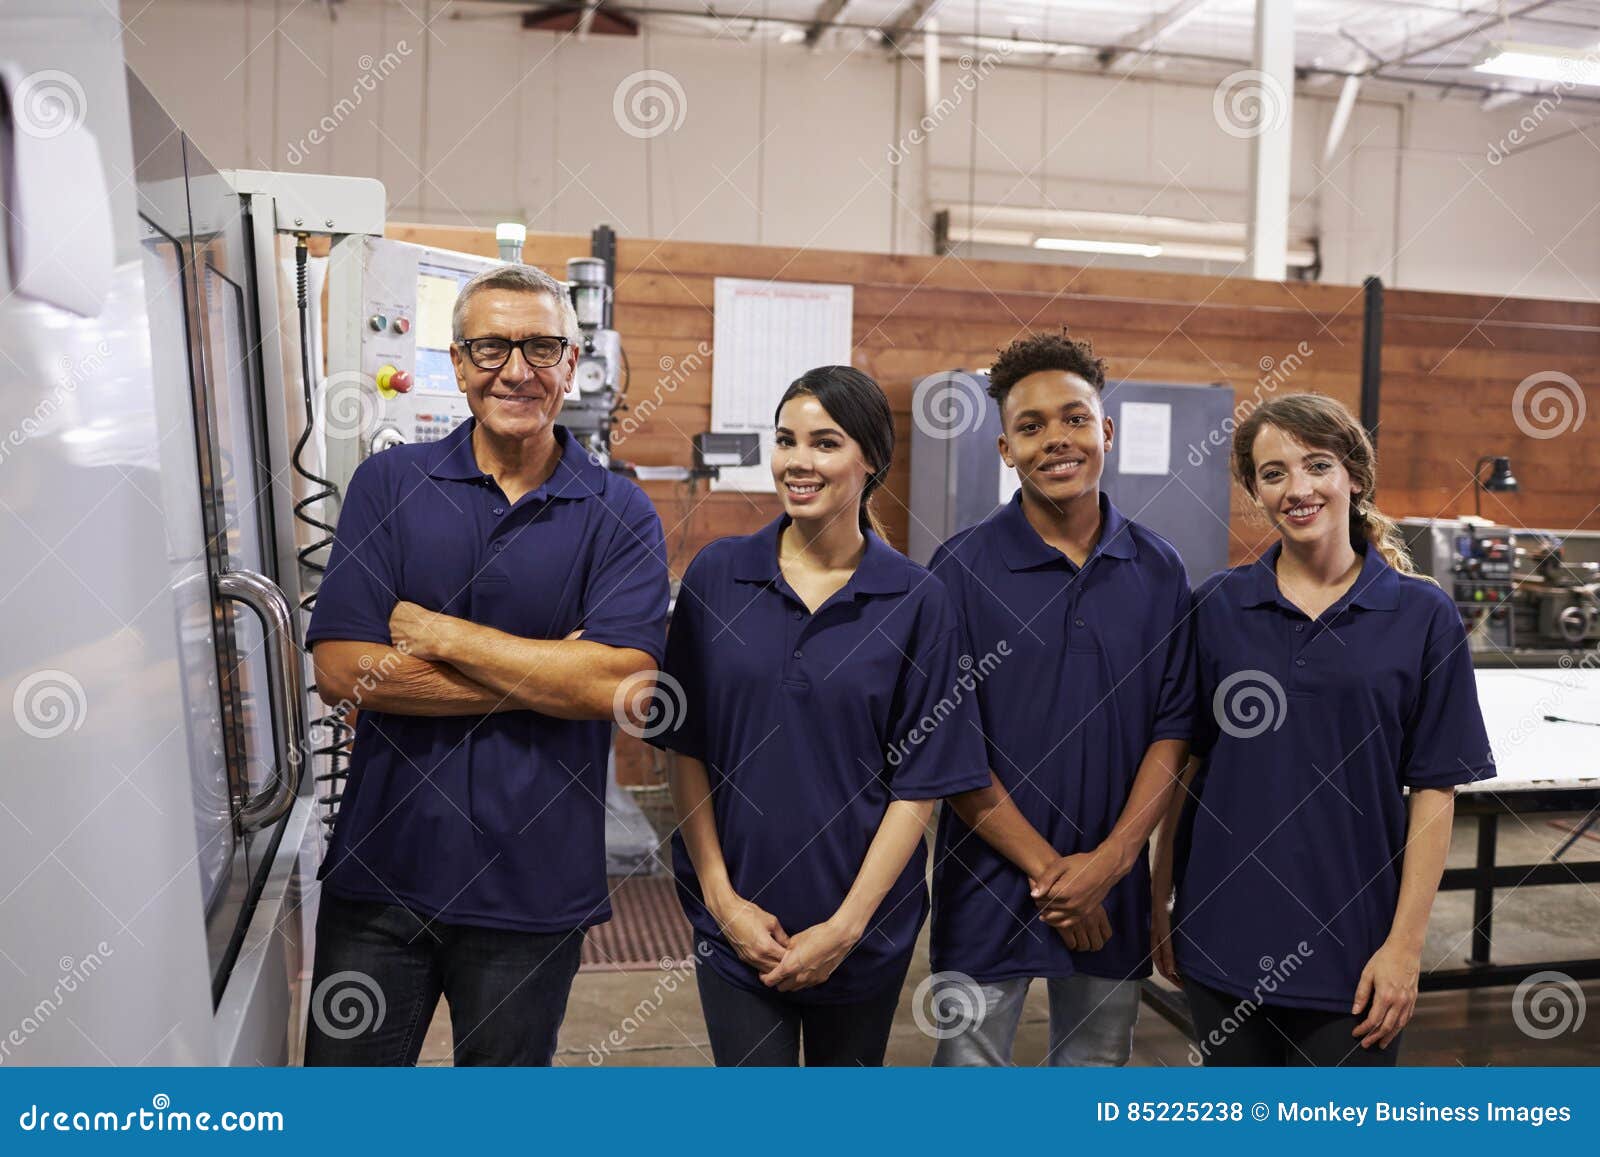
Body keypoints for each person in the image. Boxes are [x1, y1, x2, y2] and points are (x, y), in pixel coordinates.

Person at [303, 264, 669, 1066]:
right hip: (383, 875)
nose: (516, 370)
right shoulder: (390, 485)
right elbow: (343, 670)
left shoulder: (619, 511)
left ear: (572, 365)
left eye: (541, 347)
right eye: (491, 346)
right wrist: (554, 675)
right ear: (459, 362)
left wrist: (439, 634)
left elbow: (621, 686)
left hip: (532, 891)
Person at [646, 366, 990, 1066]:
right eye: (786, 440)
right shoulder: (718, 576)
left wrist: (846, 927)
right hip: (736, 926)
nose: (798, 461)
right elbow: (685, 747)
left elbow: (920, 785)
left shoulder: (918, 600)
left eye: (825, 443)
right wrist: (723, 901)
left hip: (863, 933)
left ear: (871, 461)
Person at [1154, 392, 1495, 1066]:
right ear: (1255, 491)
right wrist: (1156, 902)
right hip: (1221, 937)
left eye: (1317, 465)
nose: (1297, 488)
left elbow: (1434, 793)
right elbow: (1183, 769)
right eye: (1273, 473)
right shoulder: (1216, 606)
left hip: (1356, 955)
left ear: (1354, 477)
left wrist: (1405, 948)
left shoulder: (1423, 616)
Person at [928, 331, 1194, 1066]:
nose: (1057, 439)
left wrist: (1109, 865)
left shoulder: (1159, 569)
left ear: (1105, 431)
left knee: (1094, 1073)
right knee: (969, 1080)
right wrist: (1054, 876)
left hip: (1113, 889)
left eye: (1075, 418)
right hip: (988, 883)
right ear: (1005, 450)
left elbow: (1173, 731)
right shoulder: (958, 570)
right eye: (1031, 425)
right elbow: (950, 745)